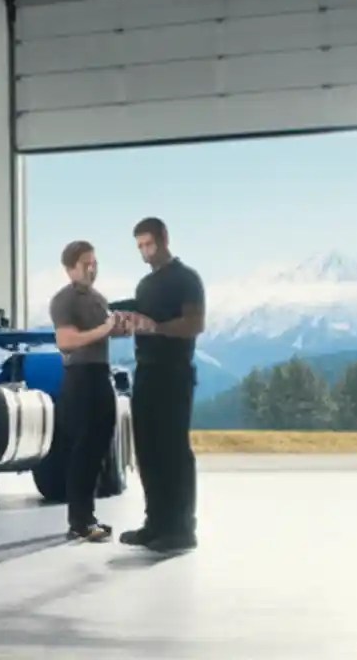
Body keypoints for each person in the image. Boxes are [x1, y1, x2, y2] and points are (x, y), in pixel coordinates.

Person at [119, 217, 205, 553]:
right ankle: (155, 523)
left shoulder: (187, 279)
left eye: (149, 245)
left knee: (173, 452)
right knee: (148, 451)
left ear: (164, 238)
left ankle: (182, 529)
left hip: (174, 373)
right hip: (146, 371)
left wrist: (156, 328)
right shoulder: (145, 285)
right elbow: (141, 317)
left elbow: (194, 323)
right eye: (139, 246)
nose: (145, 253)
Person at [49, 240, 126, 542]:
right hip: (79, 377)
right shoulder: (63, 301)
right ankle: (78, 522)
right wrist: (106, 329)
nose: (92, 268)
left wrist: (119, 327)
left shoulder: (99, 299)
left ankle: (88, 516)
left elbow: (100, 334)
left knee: (99, 448)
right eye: (85, 263)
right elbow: (66, 341)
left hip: (101, 374)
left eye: (95, 262)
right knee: (83, 450)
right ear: (70, 269)